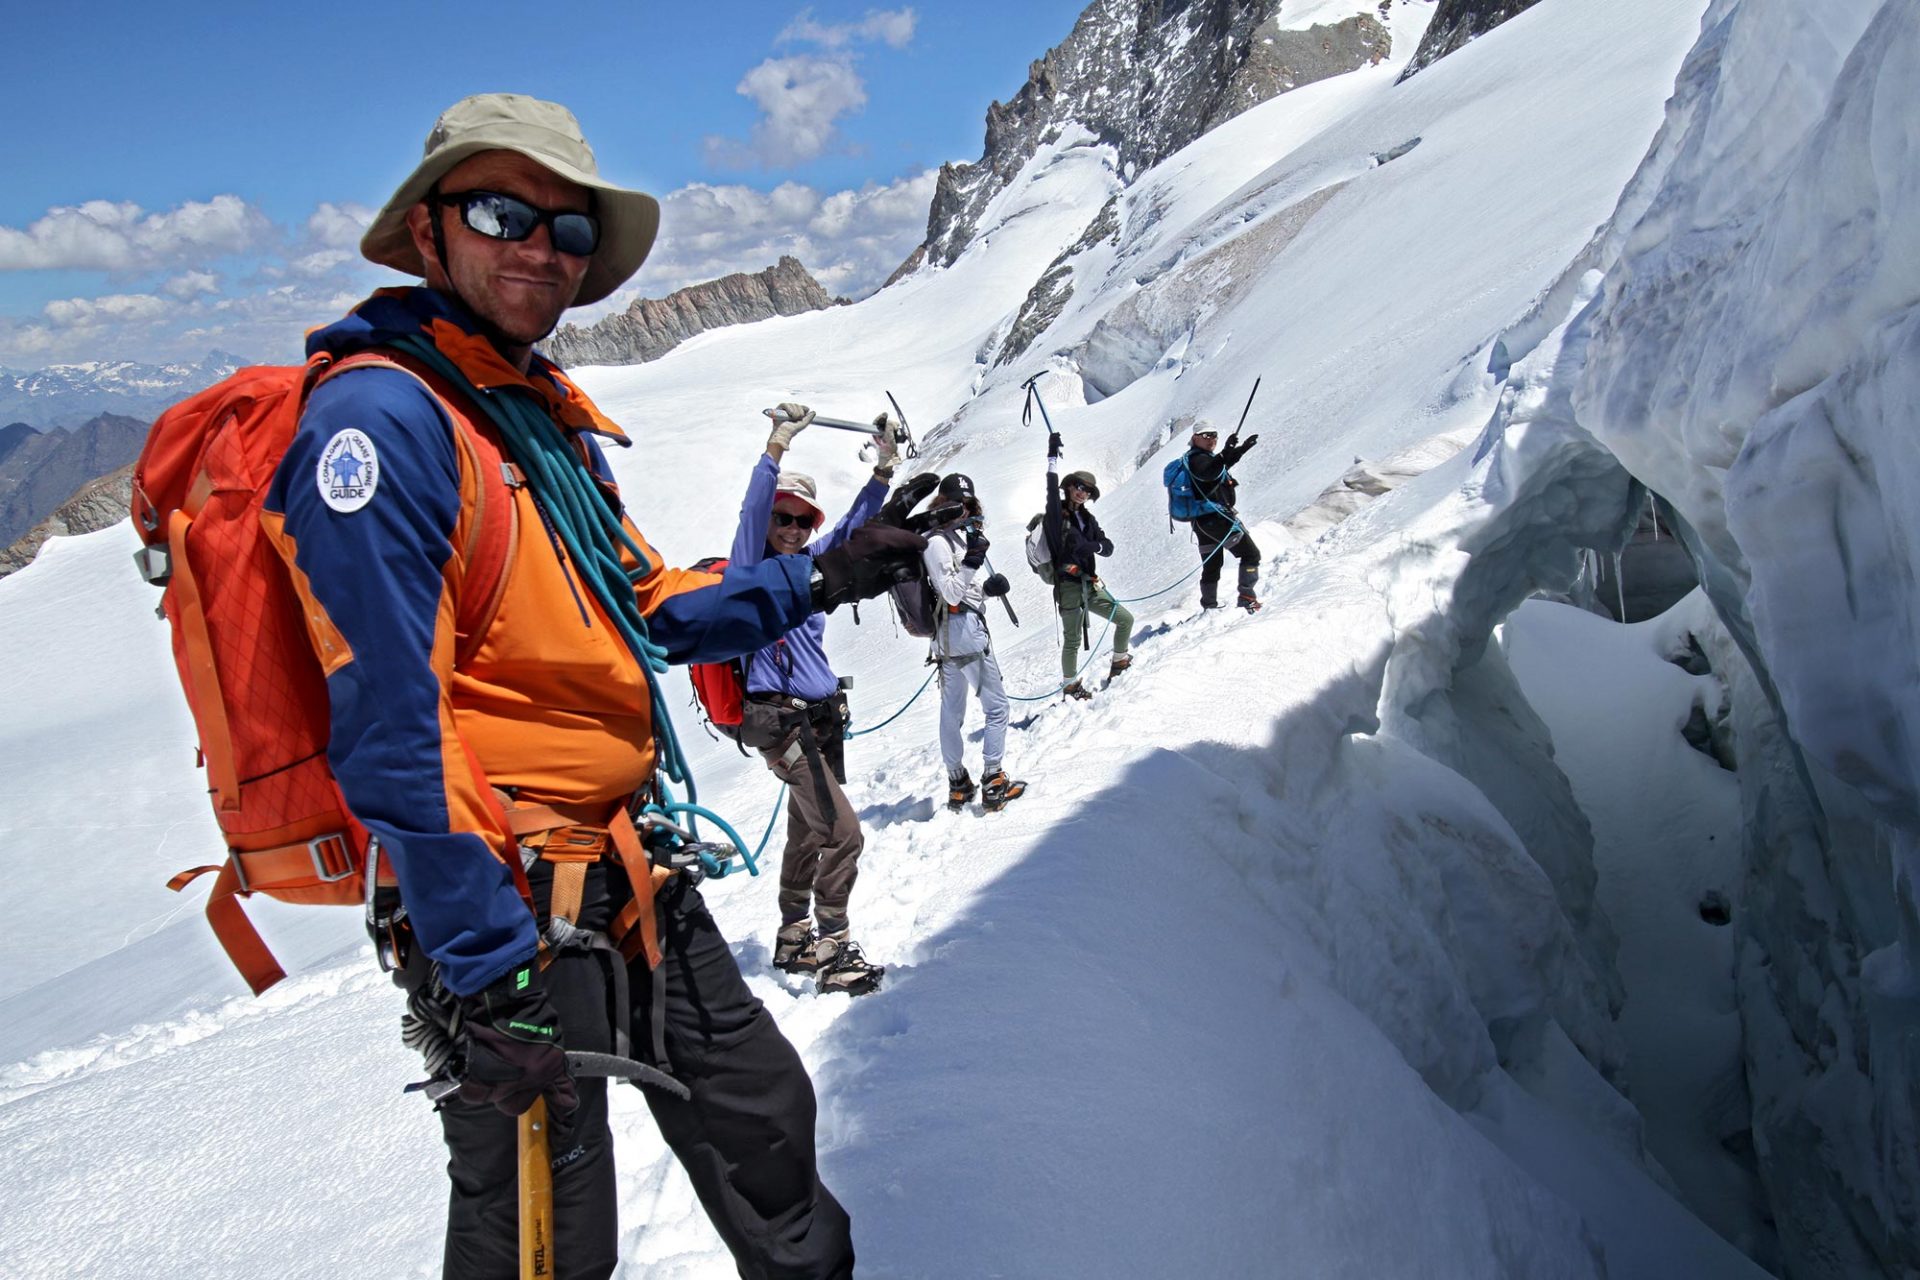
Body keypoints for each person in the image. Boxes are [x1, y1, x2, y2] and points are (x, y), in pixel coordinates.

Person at [261, 93, 923, 1279]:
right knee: (546, 1239)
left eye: (567, 230)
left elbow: (651, 605)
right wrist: (485, 963)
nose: (539, 247)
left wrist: (820, 575)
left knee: (761, 1114)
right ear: (429, 232)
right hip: (512, 903)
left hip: (629, 867)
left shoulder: (531, 421)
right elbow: (393, 726)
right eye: (503, 211)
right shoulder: (383, 422)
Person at [728, 404, 899, 995]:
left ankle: (792, 936)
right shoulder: (750, 570)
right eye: (784, 517)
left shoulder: (808, 568)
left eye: (803, 520)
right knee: (844, 834)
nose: (793, 528)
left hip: (816, 721)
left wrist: (882, 471)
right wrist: (775, 447)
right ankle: (833, 944)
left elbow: (854, 528)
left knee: (808, 831)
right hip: (781, 721)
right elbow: (751, 513)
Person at [922, 474, 1028, 811]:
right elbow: (951, 591)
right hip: (964, 632)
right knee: (997, 708)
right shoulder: (937, 542)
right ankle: (993, 781)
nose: (964, 510)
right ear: (943, 504)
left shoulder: (950, 538)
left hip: (948, 637)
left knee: (951, 713)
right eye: (957, 503)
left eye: (967, 504)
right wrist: (972, 562)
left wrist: (985, 590)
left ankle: (958, 784)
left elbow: (961, 591)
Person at [1042, 430, 1133, 699]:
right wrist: (1051, 457)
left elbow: (1107, 546)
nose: (1082, 492)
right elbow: (1049, 487)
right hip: (1069, 586)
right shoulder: (1056, 514)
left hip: (1089, 583)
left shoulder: (1088, 519)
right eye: (1078, 486)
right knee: (1073, 640)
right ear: (1069, 486)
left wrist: (1094, 545)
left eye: (1087, 490)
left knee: (1125, 619)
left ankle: (1119, 662)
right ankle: (1070, 687)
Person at [1186, 421, 1262, 611]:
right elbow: (1209, 471)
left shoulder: (1200, 458)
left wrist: (1240, 449)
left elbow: (1220, 465)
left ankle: (1209, 606)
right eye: (1206, 436)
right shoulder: (1197, 459)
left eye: (1214, 435)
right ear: (1195, 438)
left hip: (1202, 522)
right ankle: (1246, 596)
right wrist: (1224, 452)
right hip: (1216, 520)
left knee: (1212, 564)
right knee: (1251, 554)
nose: (1211, 439)